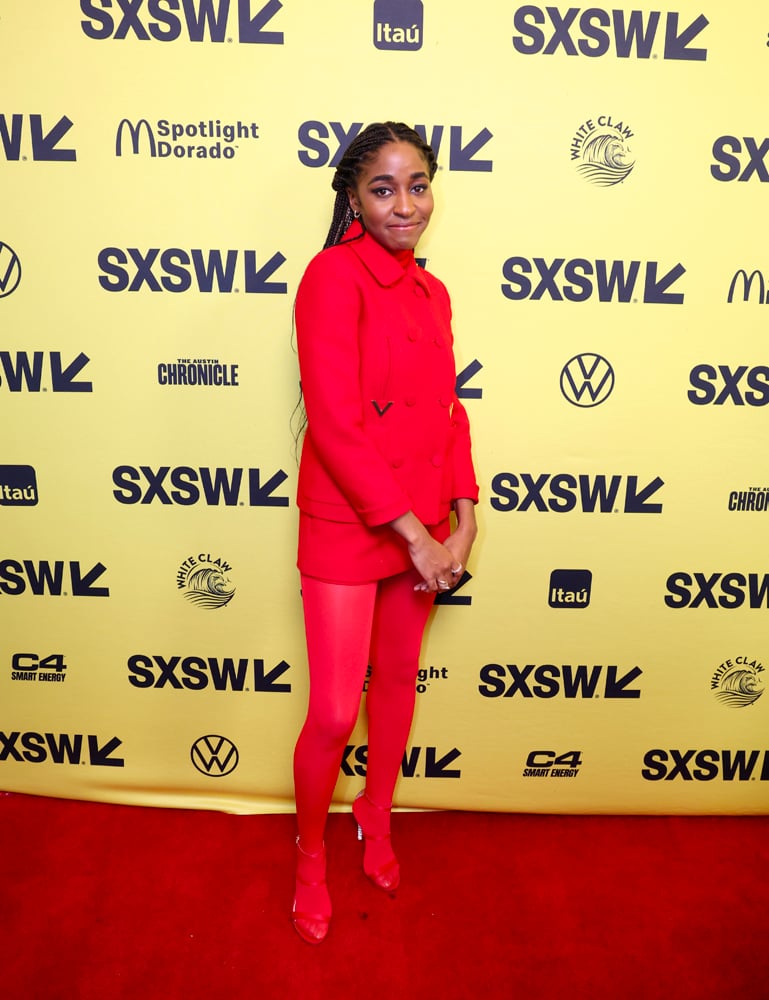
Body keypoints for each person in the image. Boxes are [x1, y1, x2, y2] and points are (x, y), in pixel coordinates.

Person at [291, 121, 479, 945]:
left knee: (396, 689)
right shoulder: (331, 278)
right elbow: (333, 424)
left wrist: (464, 514)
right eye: (383, 188)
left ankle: (377, 812)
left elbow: (448, 410)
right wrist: (416, 537)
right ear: (353, 199)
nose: (406, 204)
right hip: (351, 522)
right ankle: (307, 852)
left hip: (430, 525)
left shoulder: (433, 293)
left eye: (418, 184)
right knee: (335, 711)